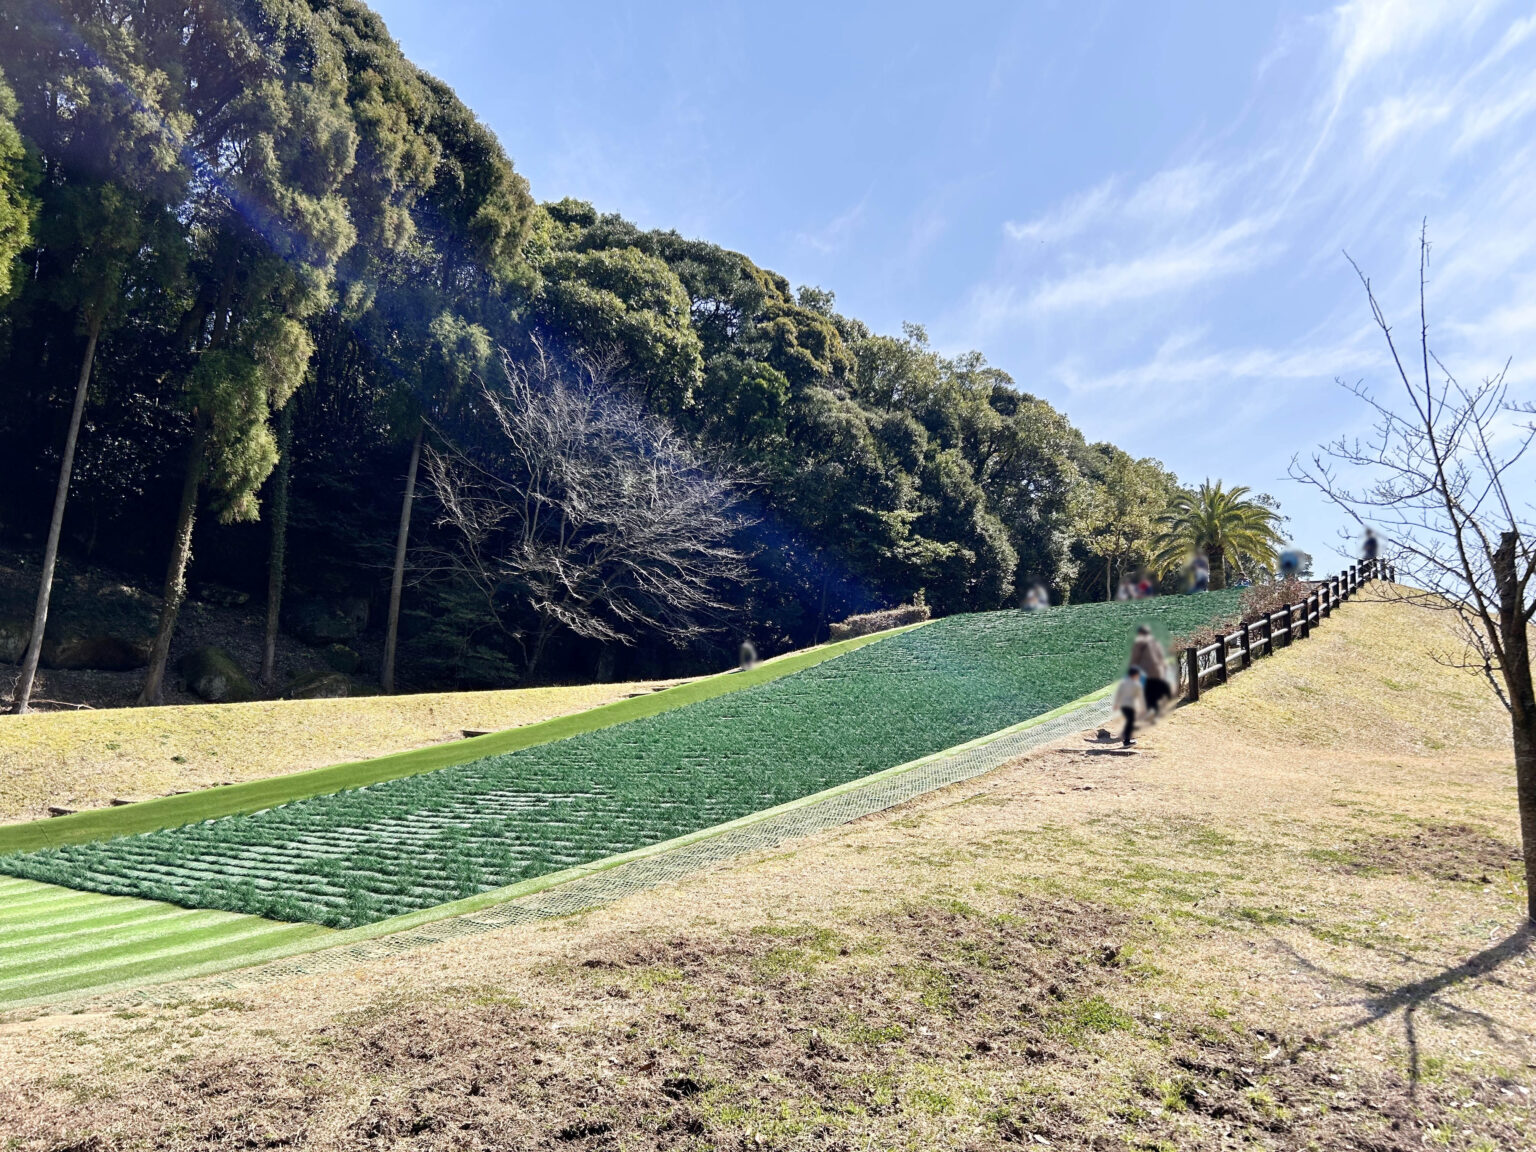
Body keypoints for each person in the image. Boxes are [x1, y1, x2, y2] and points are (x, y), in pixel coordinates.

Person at [1128, 625, 1173, 717]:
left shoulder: (1139, 642)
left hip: (1148, 673)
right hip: (1159, 671)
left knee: (1147, 692)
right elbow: (1161, 656)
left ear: (1140, 633)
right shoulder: (1156, 642)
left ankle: (1150, 711)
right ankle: (1155, 709)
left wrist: (1131, 669)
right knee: (1154, 692)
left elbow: (1134, 658)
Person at [1112, 666, 1145, 747]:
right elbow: (1140, 697)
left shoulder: (1123, 683)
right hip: (1131, 706)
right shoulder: (1136, 684)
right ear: (1135, 675)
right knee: (1130, 723)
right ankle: (1127, 741)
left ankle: (1127, 737)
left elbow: (1118, 694)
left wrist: (1116, 704)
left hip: (1123, 706)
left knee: (1129, 721)